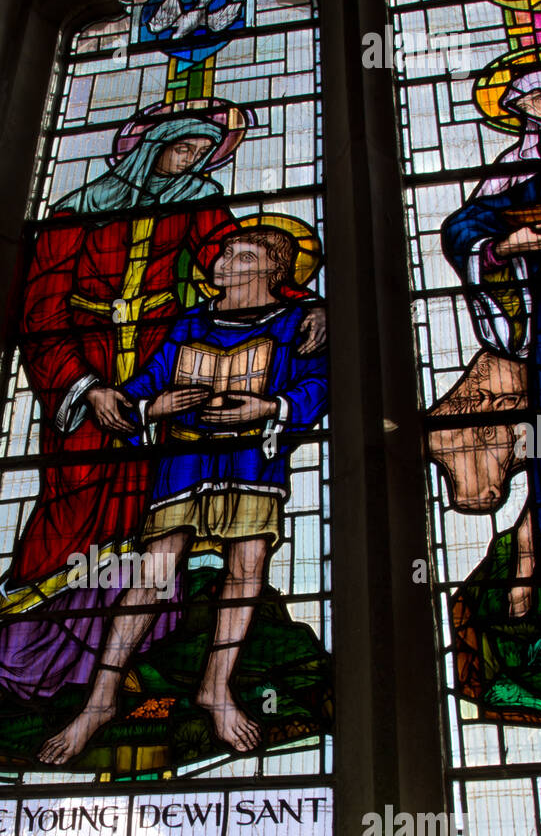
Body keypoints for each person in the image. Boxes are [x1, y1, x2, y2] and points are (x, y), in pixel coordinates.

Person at [0, 113, 327, 714]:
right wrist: (85, 387)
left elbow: (249, 268)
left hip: (166, 372)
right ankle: (16, 661)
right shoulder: (77, 211)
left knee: (145, 523)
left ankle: (109, 668)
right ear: (152, 147)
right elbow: (40, 311)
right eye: (182, 147)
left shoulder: (199, 204)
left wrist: (310, 304)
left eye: (201, 152)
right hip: (87, 369)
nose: (190, 161)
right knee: (70, 512)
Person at [38, 223, 328, 761]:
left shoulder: (295, 323)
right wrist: (153, 408)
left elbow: (316, 386)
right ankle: (101, 698)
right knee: (152, 574)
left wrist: (268, 409)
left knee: (245, 570)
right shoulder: (190, 321)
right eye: (222, 252)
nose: (221, 262)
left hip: (251, 459)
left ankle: (216, 688)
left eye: (240, 256)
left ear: (274, 271)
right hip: (185, 456)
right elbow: (144, 386)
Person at [442, 64, 541, 614]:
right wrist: (508, 246)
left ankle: (526, 579)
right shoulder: (519, 173)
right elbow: (463, 230)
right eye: (528, 101)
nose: (537, 108)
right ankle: (530, 582)